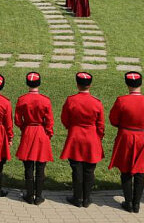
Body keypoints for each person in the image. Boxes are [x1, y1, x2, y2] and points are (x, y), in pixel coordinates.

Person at [109, 71, 144, 213]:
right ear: (141, 83)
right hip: (143, 138)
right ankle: (136, 204)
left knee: (125, 170)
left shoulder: (121, 100)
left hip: (126, 137)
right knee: (141, 171)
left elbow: (113, 120)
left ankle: (129, 202)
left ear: (127, 84)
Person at [61, 71, 105, 208]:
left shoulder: (71, 100)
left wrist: (71, 127)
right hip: (92, 138)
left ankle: (77, 197)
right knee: (89, 170)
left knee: (76, 169)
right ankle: (87, 198)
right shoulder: (96, 103)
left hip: (75, 137)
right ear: (90, 85)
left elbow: (65, 119)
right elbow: (101, 124)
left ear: (77, 84)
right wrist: (99, 136)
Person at [15, 72, 54, 205]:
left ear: (27, 83)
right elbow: (49, 120)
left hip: (28, 131)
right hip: (41, 132)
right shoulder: (45, 100)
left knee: (28, 166)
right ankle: (39, 195)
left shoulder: (22, 99)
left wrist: (23, 128)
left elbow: (17, 119)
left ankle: (29, 195)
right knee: (41, 166)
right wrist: (48, 133)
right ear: (39, 83)